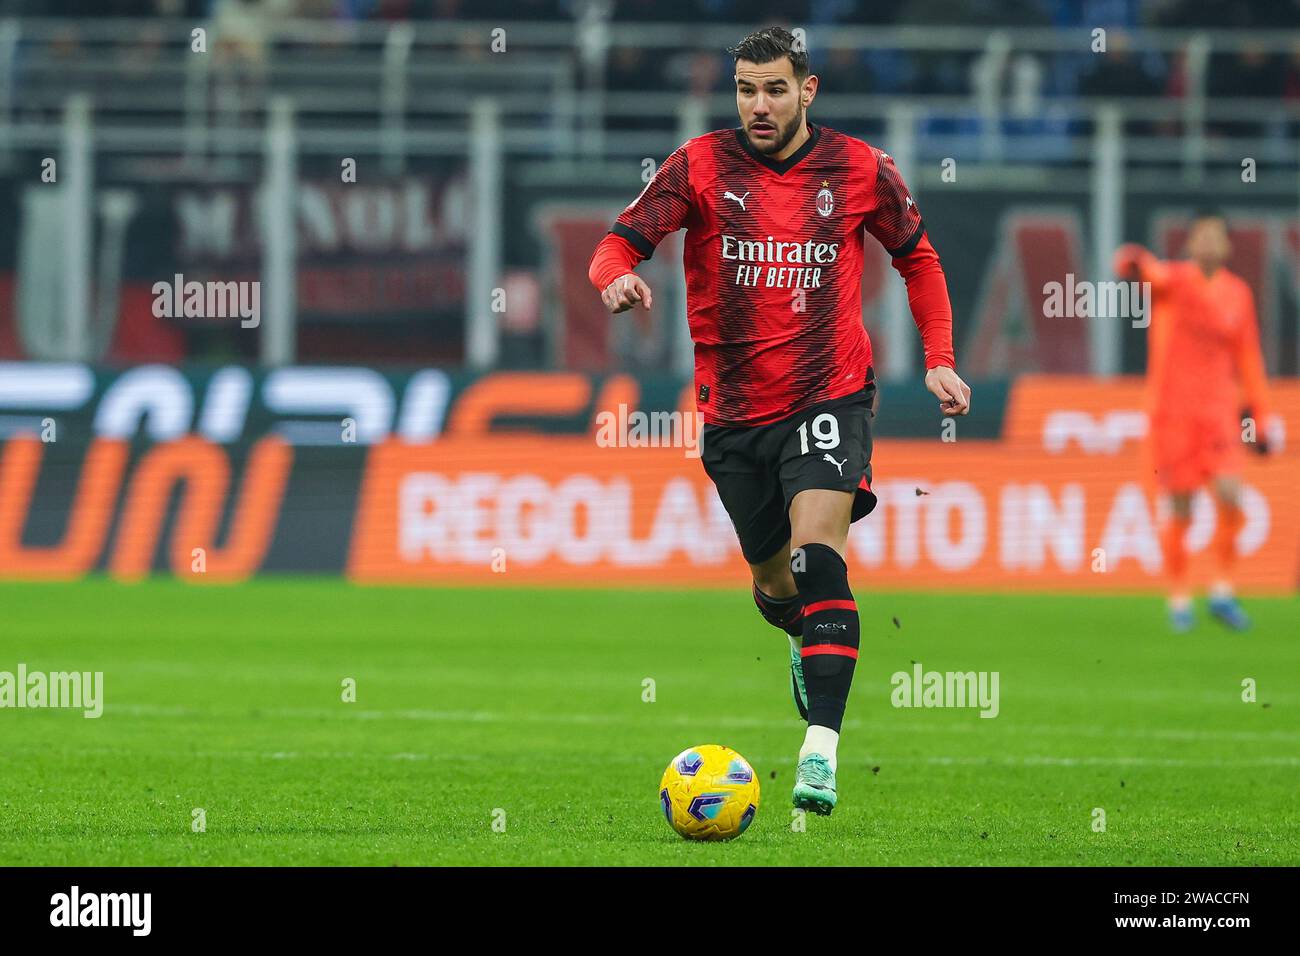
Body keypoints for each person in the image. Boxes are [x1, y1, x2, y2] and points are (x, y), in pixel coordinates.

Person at [588, 26, 970, 815]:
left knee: (818, 558)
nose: (758, 105)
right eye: (745, 90)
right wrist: (616, 279)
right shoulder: (697, 165)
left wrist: (938, 356)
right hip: (731, 412)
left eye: (773, 89)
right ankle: (802, 635)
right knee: (774, 582)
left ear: (808, 90)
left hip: (830, 395)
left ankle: (820, 752)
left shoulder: (862, 168)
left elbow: (918, 257)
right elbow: (615, 245)